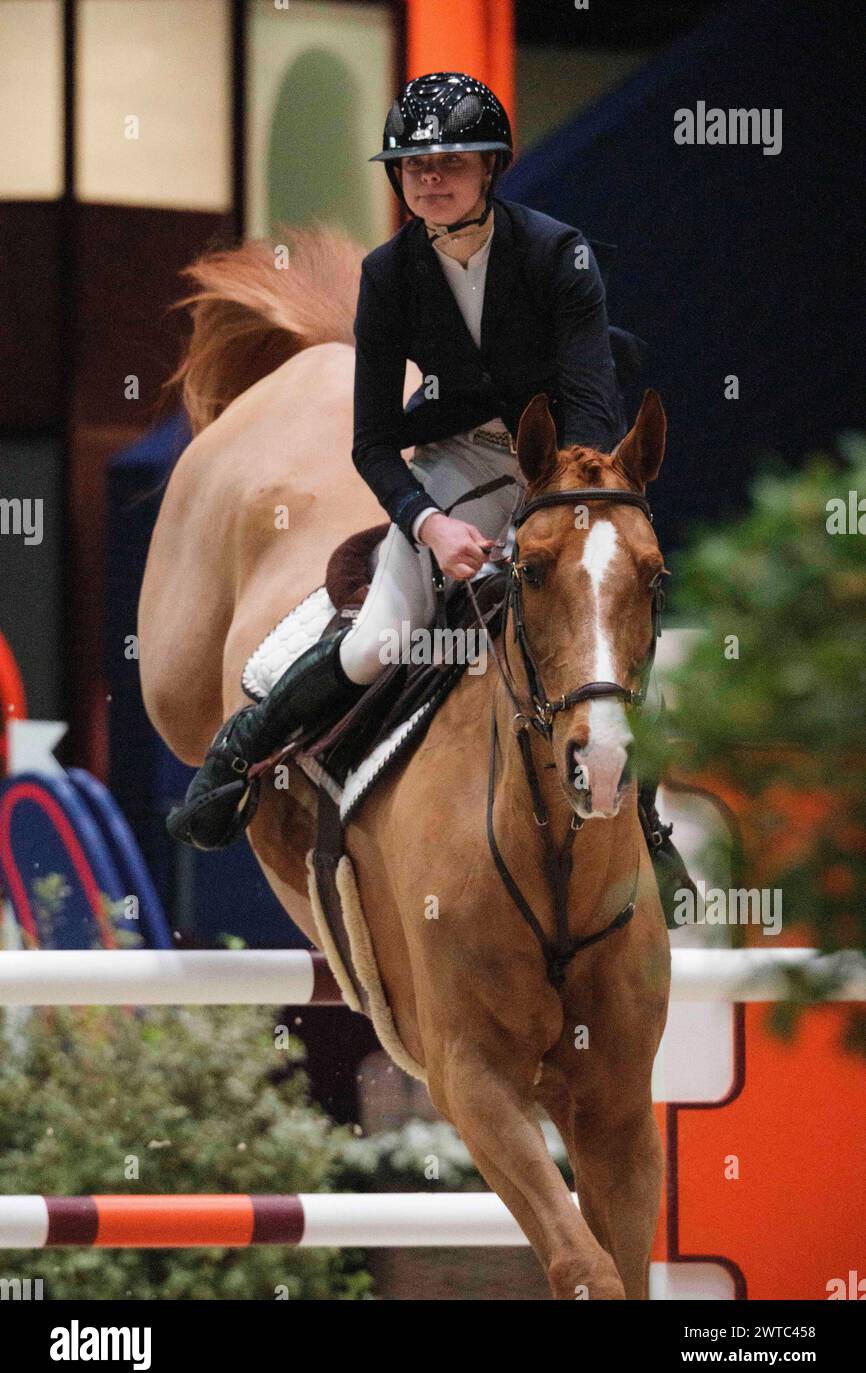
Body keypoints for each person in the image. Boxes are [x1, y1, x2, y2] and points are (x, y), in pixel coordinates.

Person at [168, 71, 691, 908]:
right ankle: (244, 746)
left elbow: (591, 394)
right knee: (385, 635)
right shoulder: (390, 273)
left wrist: (569, 501)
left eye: (451, 162)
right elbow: (374, 440)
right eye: (414, 167)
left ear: (491, 169)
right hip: (453, 461)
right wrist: (431, 527)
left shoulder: (559, 253)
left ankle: (649, 826)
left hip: (564, 466)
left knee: (601, 621)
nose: (431, 179)